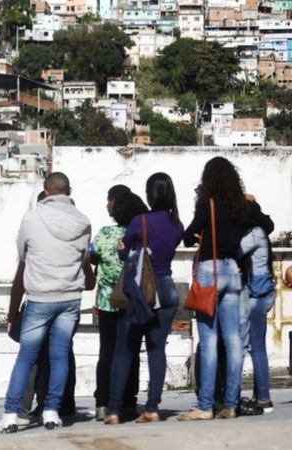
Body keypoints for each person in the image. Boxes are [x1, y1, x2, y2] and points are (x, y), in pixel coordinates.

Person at [178, 157, 272, 420]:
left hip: (210, 271)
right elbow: (268, 225)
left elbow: (187, 236)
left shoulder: (207, 204)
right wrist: (251, 204)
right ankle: (231, 404)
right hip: (233, 271)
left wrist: (201, 235)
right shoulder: (241, 206)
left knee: (209, 341)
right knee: (234, 341)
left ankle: (205, 406)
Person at [0, 172, 91, 432]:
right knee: (59, 356)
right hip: (70, 297)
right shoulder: (83, 221)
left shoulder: (31, 218)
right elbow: (84, 257)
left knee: (26, 357)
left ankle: (11, 414)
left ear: (46, 190)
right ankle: (51, 411)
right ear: (69, 190)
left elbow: (22, 254)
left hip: (39, 296)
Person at [105, 173, 183, 424]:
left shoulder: (140, 221)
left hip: (141, 292)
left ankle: (113, 410)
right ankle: (152, 408)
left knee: (124, 350)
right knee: (156, 349)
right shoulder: (177, 224)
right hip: (167, 289)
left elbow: (125, 252)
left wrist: (123, 249)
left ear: (150, 195)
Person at [89, 187, 145, 421]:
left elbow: (92, 256)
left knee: (107, 351)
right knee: (131, 351)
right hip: (133, 301)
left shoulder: (104, 234)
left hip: (107, 302)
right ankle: (128, 401)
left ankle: (102, 402)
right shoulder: (140, 233)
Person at [238, 212, 276, 415]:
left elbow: (236, 251)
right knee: (256, 346)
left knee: (257, 348)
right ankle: (259, 395)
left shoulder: (255, 233)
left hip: (257, 294)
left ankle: (263, 398)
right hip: (261, 292)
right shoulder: (260, 232)